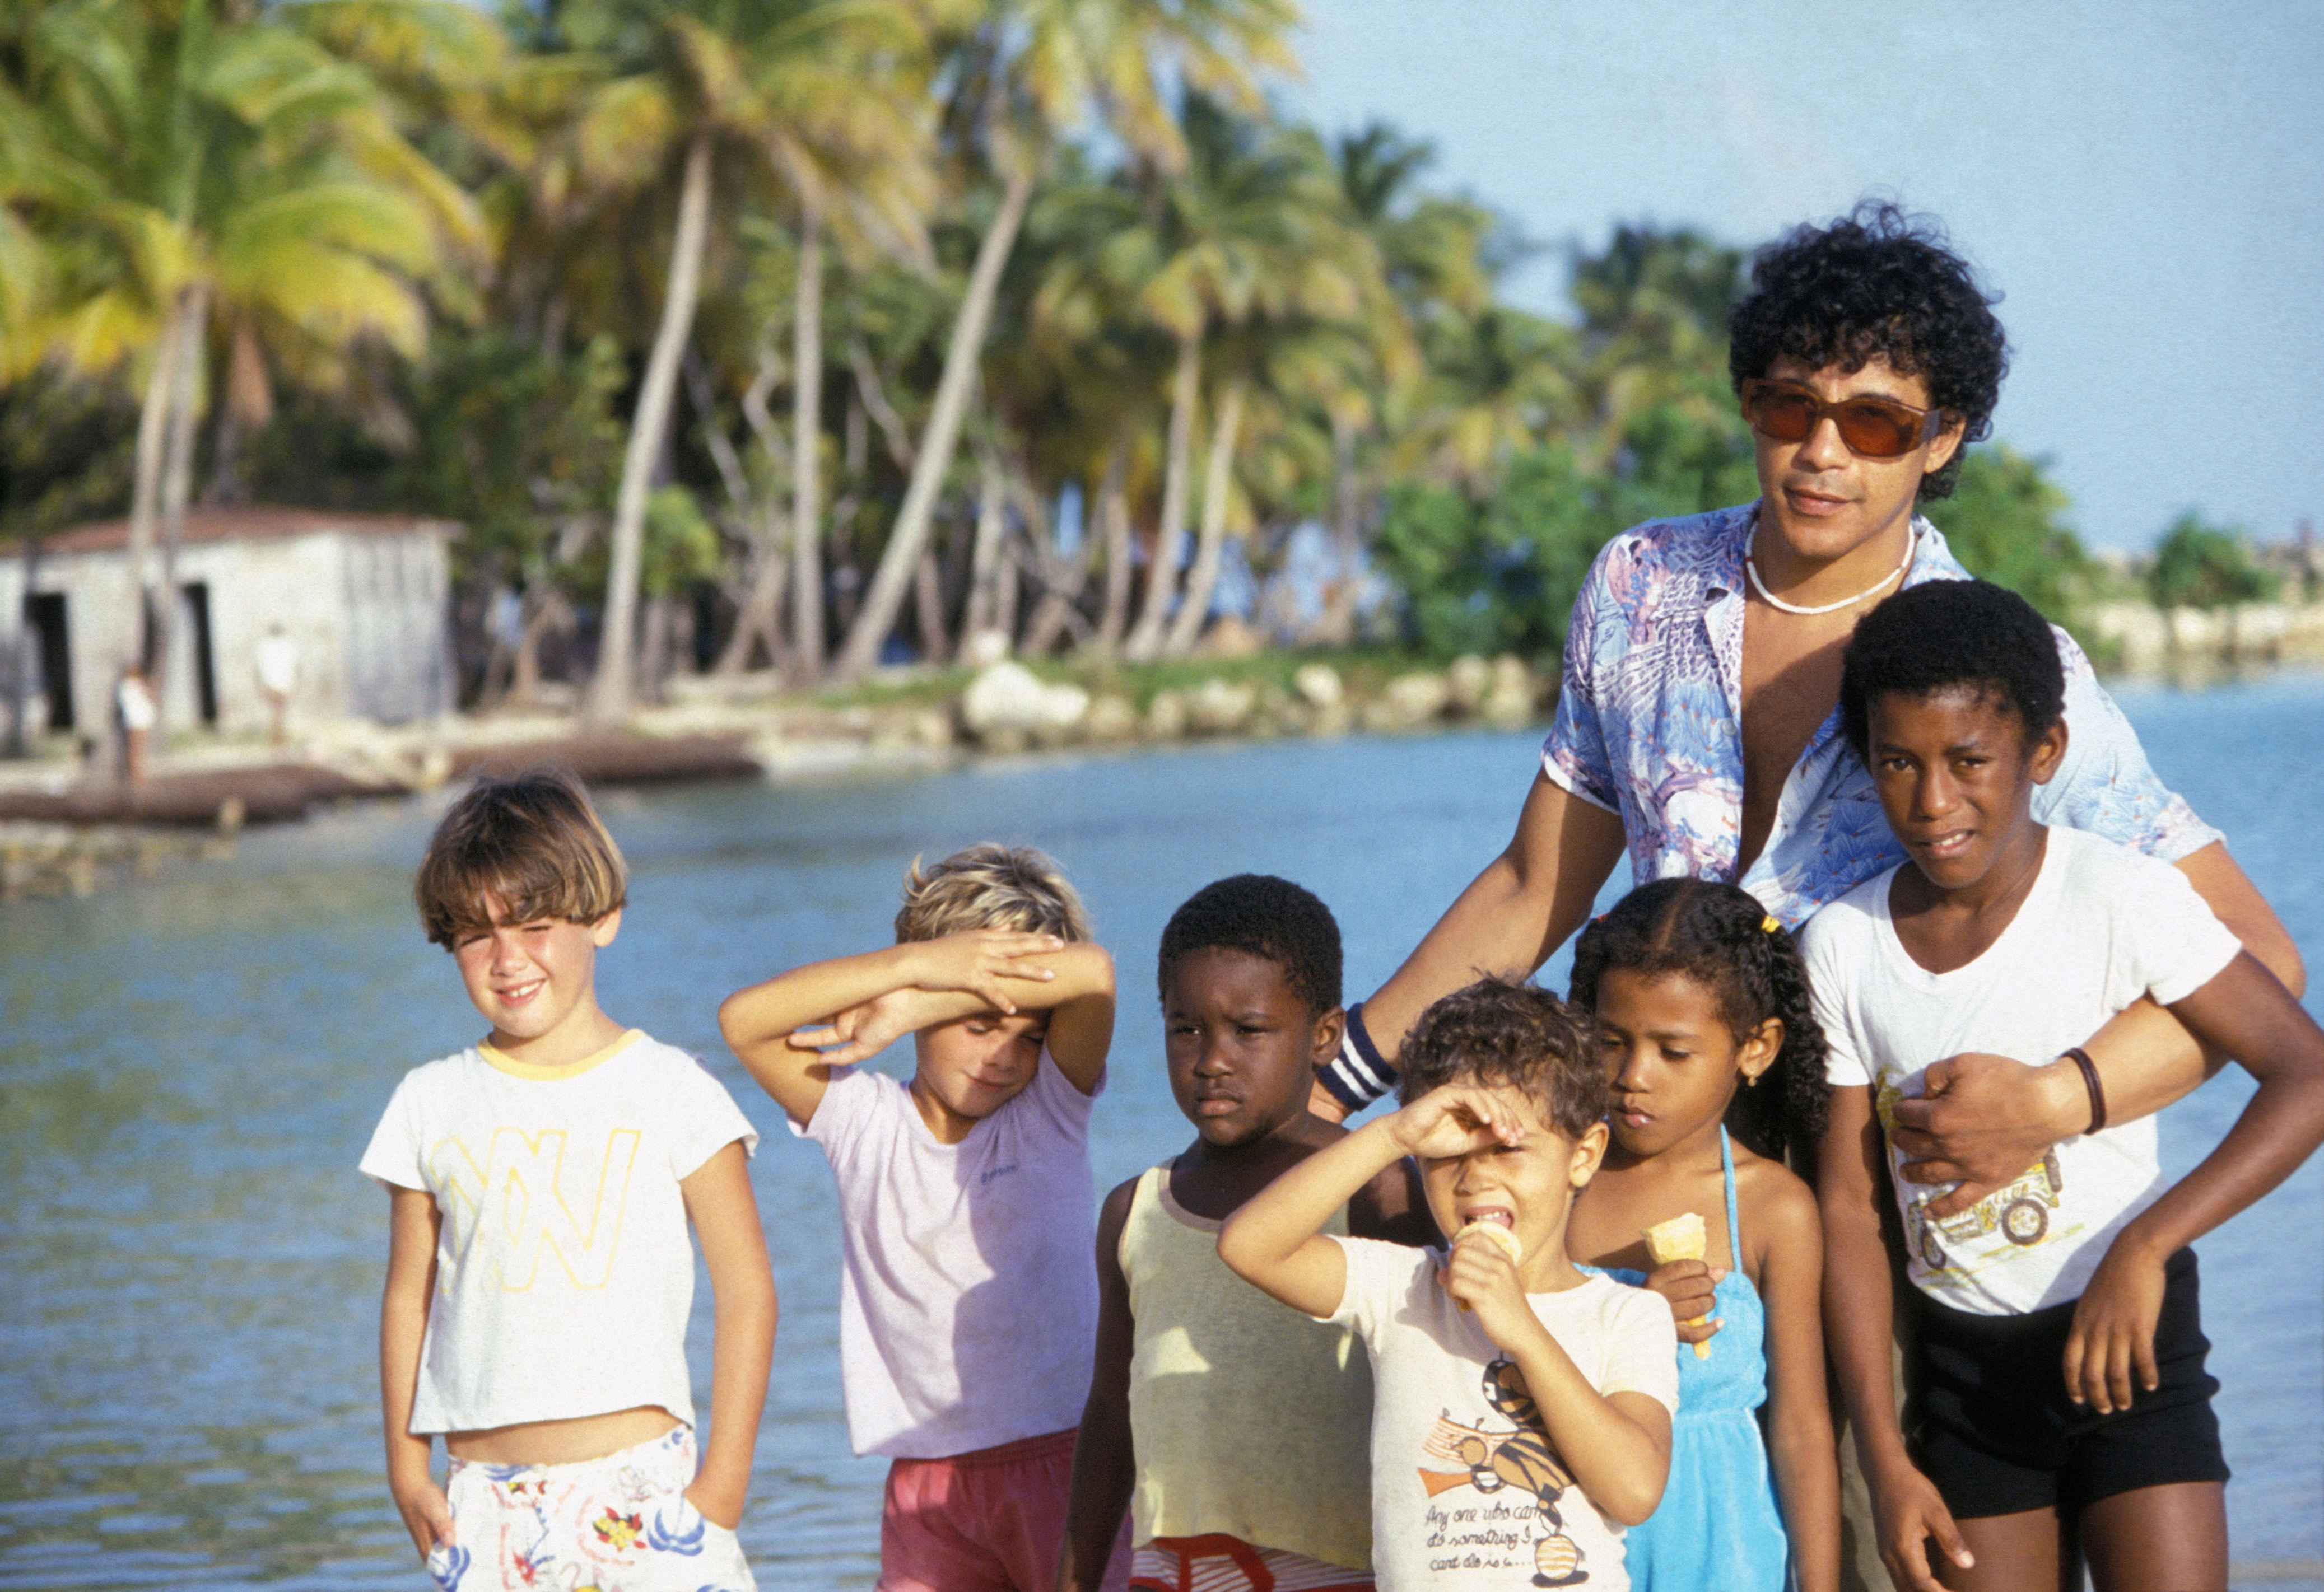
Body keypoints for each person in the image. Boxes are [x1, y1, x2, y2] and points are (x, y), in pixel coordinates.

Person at [1310, 202, 2301, 1222]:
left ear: (1940, 436)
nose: (1821, 451)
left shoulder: (1998, 672)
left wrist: (2055, 1099)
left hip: (1874, 1201)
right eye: (1790, 408)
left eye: (1873, 422)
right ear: (1750, 405)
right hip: (1641, 1151)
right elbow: (1533, 882)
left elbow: (2257, 957)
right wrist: (1326, 1089)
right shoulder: (1640, 584)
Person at [1807, 580, 2324, 1592]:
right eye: (1896, 762)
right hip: (1963, 1388)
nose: (1930, 801)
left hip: (2132, 1344)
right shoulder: (1843, 944)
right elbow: (1849, 1207)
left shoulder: (2119, 894)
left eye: (1968, 762)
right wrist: (1882, 1448)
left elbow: (2301, 1072)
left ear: (2041, 753)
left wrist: (2146, 1241)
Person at [362, 769, 774, 1592]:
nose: (507, 958)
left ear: (604, 917)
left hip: (647, 1494)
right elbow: (409, 1295)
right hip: (482, 1507)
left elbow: (748, 1289)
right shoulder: (429, 1100)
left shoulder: (673, 1088)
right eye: (477, 934)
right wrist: (407, 1472)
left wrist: (718, 1491)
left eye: (536, 924)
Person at [717, 844, 1129, 1592]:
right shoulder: (860, 1120)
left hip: (1065, 1463)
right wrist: (922, 969)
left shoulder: (1048, 1113)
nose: (1004, 1053)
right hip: (924, 1479)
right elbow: (744, 1021)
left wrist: (924, 1000)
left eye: (1028, 1034)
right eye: (976, 1022)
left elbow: (1095, 973)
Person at [1222, 979, 1679, 1592]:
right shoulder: (1403, 1287)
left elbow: (1634, 1489)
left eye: (1509, 1148)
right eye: (1448, 1152)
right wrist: (1393, 1136)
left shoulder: (1629, 1313)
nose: (1475, 1177)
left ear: (1584, 1154)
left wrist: (1522, 1328)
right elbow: (1247, 1246)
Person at [1058, 875, 1435, 1592]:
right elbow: (1112, 1414)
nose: (1212, 1058)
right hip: (1170, 1574)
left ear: (1323, 1034)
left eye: (1250, 1029)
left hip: (1339, 1571)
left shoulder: (1376, 1191)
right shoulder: (1135, 1211)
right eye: (1185, 1026)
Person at [1564, 880, 1840, 1592]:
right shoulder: (1558, 1177)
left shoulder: (1772, 1206)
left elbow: (1802, 1425)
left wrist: (1819, 1581)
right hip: (1576, 1540)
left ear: (1756, 1049)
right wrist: (1639, 1319)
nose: (1633, 1076)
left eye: (1673, 1051)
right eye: (1611, 1041)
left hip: (1725, 1549)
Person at [255, 623, 299, 746]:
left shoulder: (265, 646)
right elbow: (295, 667)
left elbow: (258, 669)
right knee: (280, 714)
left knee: (276, 714)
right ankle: (279, 742)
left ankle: (279, 742)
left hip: (272, 685)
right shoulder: (288, 646)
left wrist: (260, 686)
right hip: (283, 685)